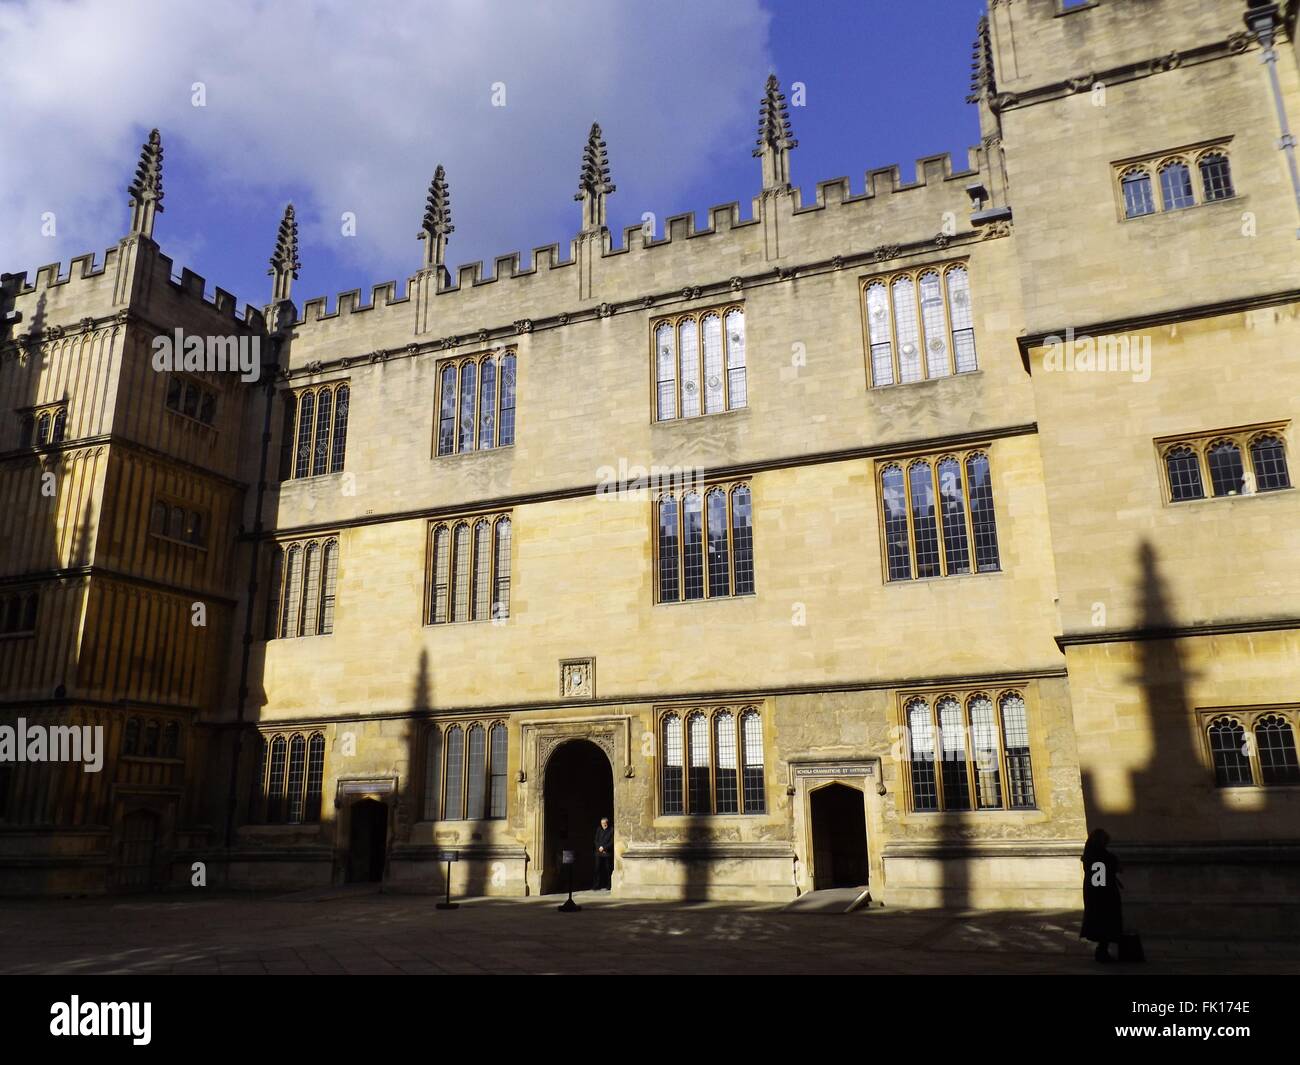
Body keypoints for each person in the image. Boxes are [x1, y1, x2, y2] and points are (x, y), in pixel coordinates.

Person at [1080, 828, 1123, 962]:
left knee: (1100, 923)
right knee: (1105, 923)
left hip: (1095, 894)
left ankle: (1102, 950)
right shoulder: (1103, 857)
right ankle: (1102, 951)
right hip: (1103, 896)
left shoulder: (1090, 856)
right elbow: (1101, 879)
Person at [593, 816, 614, 891]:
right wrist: (599, 848)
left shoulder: (611, 830)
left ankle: (608, 885)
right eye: (602, 823)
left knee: (608, 869)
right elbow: (596, 840)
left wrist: (604, 848)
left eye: (605, 823)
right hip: (599, 852)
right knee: (597, 868)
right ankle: (597, 885)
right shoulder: (599, 829)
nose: (603, 824)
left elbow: (612, 842)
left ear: (607, 823)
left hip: (607, 853)